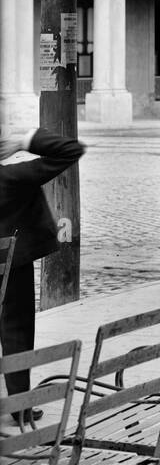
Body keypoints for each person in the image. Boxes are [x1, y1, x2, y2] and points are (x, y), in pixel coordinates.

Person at [0, 128, 85, 426]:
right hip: (11, 270)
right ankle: (19, 407)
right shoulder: (13, 178)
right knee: (16, 332)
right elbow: (71, 150)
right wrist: (25, 140)